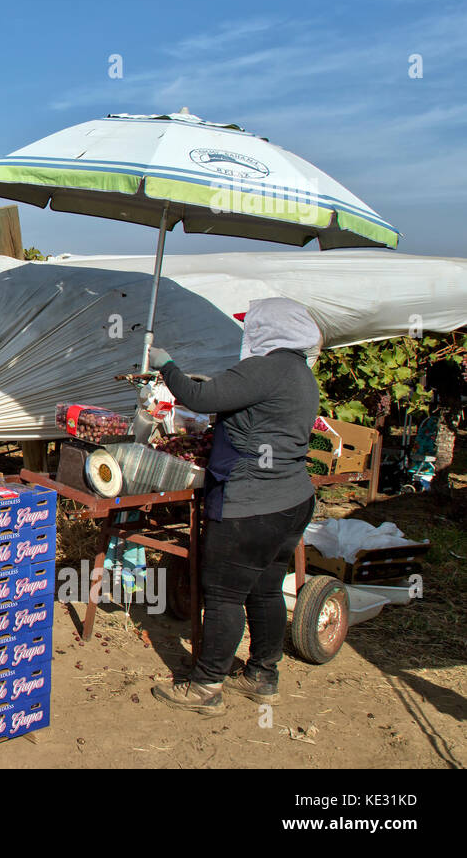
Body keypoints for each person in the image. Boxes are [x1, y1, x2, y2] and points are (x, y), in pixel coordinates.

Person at [147, 297, 322, 716]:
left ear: (269, 328)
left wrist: (166, 365)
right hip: (292, 500)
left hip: (251, 505)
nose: (249, 334)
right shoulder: (299, 371)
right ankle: (262, 675)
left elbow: (199, 399)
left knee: (224, 593)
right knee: (264, 590)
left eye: (253, 327)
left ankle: (206, 685)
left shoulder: (263, 368)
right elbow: (240, 402)